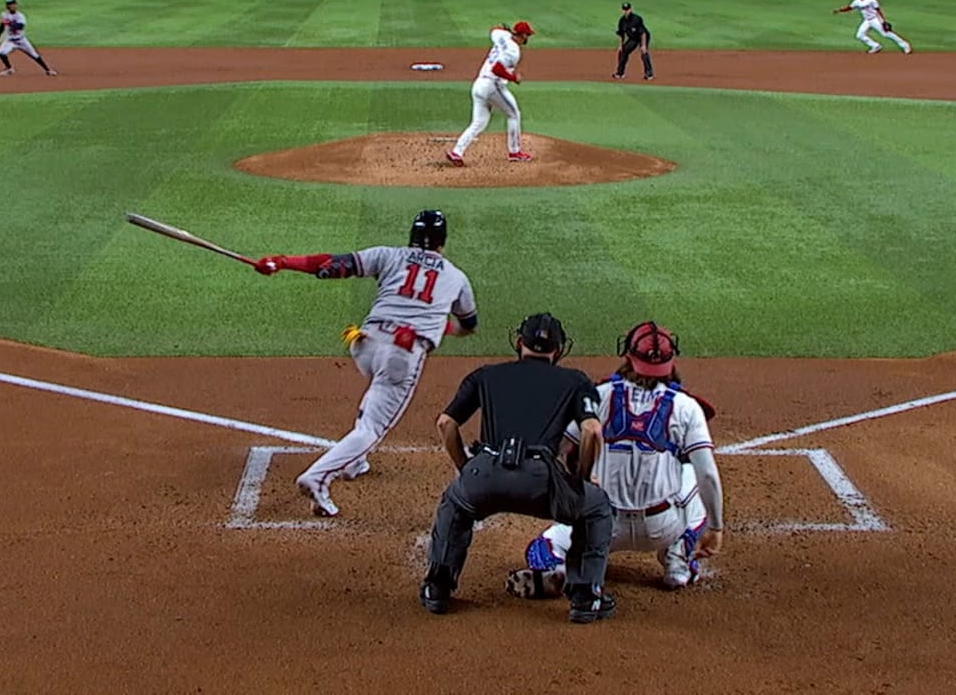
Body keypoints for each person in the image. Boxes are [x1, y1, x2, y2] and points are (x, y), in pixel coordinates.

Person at [255, 210, 478, 517]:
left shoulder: (388, 255)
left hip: (364, 345)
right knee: (373, 425)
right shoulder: (456, 277)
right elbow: (469, 324)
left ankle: (355, 462)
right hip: (401, 356)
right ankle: (318, 477)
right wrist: (442, 326)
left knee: (375, 395)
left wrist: (281, 262)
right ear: (442, 242)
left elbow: (331, 265)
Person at [419, 312, 617, 624]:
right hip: (540, 480)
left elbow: (445, 423)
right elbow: (592, 431)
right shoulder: (576, 381)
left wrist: (466, 469)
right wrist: (580, 481)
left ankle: (437, 589)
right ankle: (585, 598)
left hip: (485, 473)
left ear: (519, 342)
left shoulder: (484, 374)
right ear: (559, 350)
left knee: (455, 503)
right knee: (596, 507)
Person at [506, 321, 724, 600]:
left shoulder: (599, 395)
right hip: (662, 526)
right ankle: (677, 563)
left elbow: (558, 448)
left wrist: (573, 486)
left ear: (628, 355)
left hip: (603, 525)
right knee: (694, 472)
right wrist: (716, 528)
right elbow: (708, 476)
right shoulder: (685, 406)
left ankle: (560, 569)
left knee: (543, 547)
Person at [446, 21, 535, 167]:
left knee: (479, 122)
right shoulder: (513, 52)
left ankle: (457, 152)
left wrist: (504, 30)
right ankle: (515, 152)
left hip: (478, 85)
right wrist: (514, 78)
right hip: (492, 86)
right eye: (527, 35)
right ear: (523, 35)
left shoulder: (501, 35)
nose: (528, 38)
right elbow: (497, 69)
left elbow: (494, 28)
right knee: (514, 114)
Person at [833, 0, 912, 55]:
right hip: (867, 21)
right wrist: (839, 10)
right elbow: (849, 8)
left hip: (875, 19)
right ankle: (875, 46)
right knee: (859, 35)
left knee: (886, 34)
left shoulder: (871, 0)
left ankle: (905, 45)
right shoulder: (856, 1)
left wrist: (883, 21)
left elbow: (878, 10)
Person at [0, 0, 59, 76]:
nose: (12, 6)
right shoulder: (4, 15)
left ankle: (48, 70)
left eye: (13, 4)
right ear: (7, 6)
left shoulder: (20, 16)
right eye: (10, 4)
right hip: (10, 41)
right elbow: (2, 27)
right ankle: (9, 69)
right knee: (1, 53)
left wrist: (7, 22)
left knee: (35, 55)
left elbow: (19, 26)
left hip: (21, 40)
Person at [613, 2, 654, 80]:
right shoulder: (622, 21)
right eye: (624, 10)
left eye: (627, 10)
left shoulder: (636, 19)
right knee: (623, 51)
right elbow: (621, 34)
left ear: (630, 9)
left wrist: (644, 45)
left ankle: (649, 74)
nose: (626, 11)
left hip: (643, 37)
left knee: (644, 53)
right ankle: (620, 73)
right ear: (622, 10)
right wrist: (620, 45)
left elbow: (643, 32)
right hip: (633, 38)